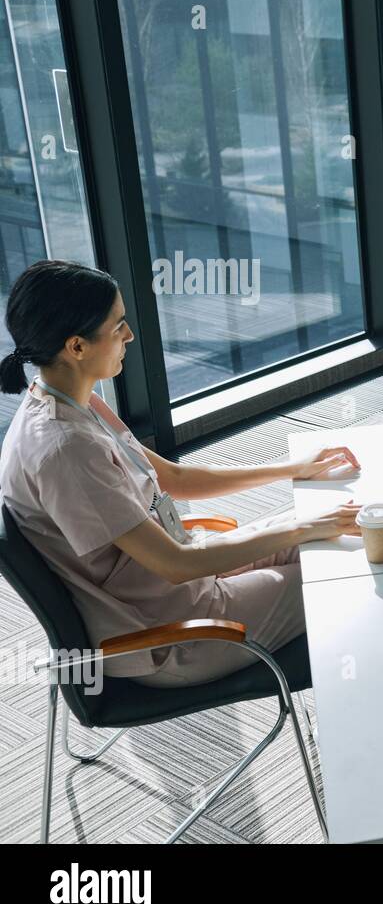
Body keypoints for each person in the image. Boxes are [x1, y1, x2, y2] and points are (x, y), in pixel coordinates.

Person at [0, 260, 362, 688]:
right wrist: (300, 527)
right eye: (118, 328)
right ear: (76, 347)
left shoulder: (74, 401)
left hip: (178, 583)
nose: (129, 336)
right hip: (166, 630)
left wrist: (294, 470)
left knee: (339, 538)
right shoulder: (66, 449)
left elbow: (176, 480)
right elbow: (175, 565)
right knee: (344, 577)